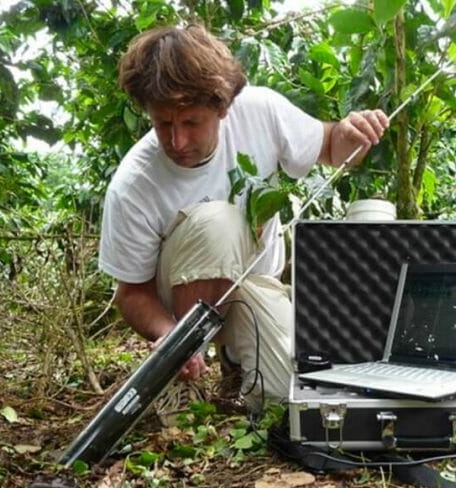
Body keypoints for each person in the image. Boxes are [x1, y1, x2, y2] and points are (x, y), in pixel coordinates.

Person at [99, 23, 388, 411]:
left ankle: (234, 365)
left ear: (222, 108)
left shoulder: (259, 111)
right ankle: (184, 370)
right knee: (220, 222)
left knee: (286, 397)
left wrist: (352, 134)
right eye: (163, 124)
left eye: (190, 123)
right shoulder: (134, 182)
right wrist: (168, 335)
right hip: (181, 297)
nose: (177, 142)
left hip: (253, 283)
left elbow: (332, 147)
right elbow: (131, 293)